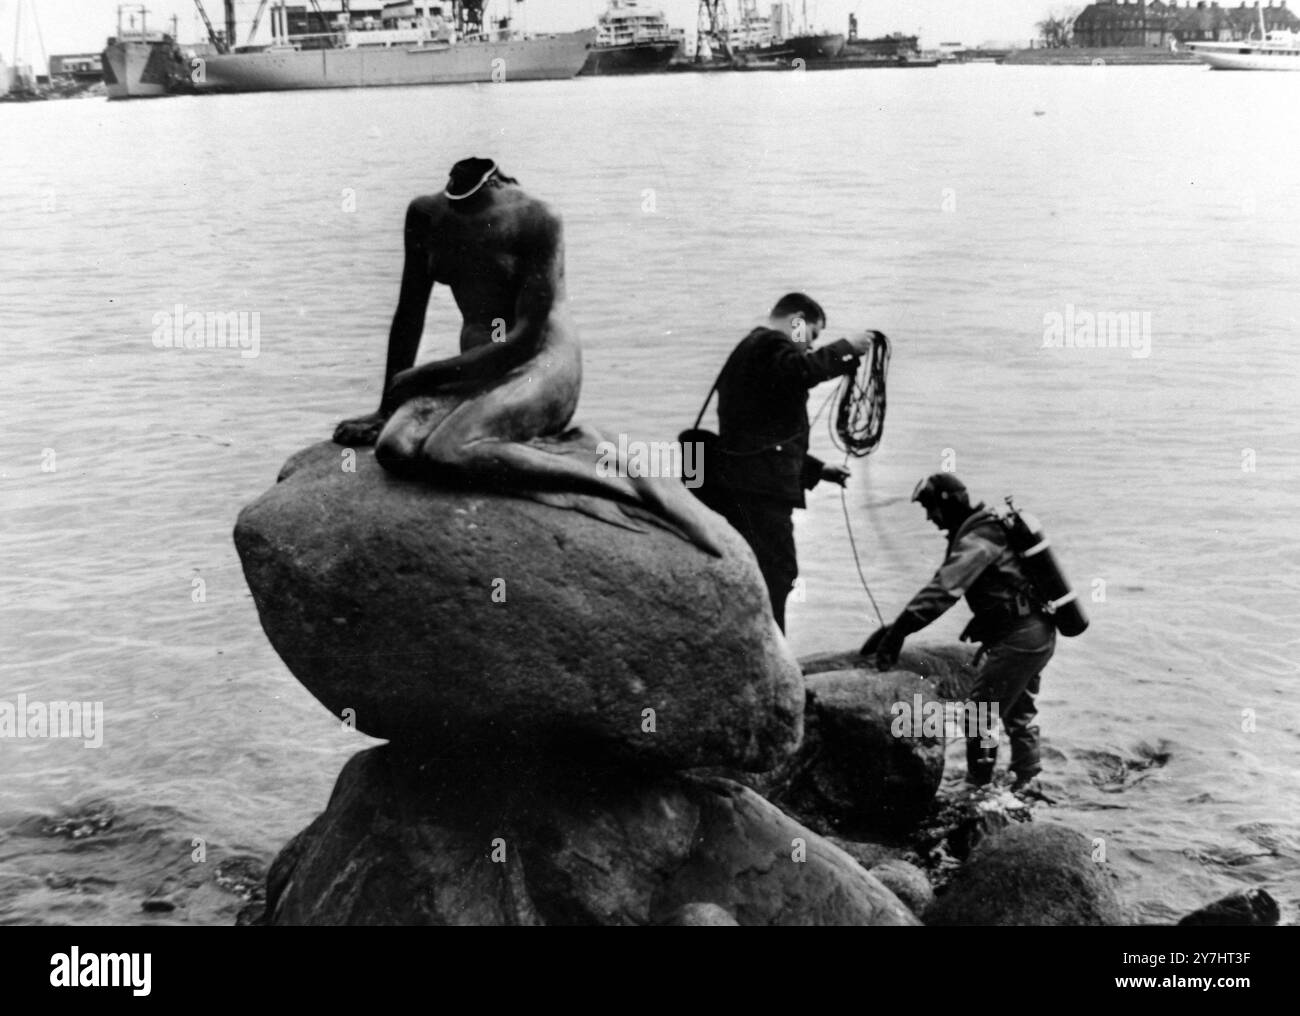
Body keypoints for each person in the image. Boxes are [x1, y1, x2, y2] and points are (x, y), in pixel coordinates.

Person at [333, 156, 725, 555]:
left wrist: (426, 375)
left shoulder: (537, 218)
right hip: (480, 367)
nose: (460, 208)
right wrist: (386, 407)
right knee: (394, 448)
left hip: (542, 363)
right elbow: (409, 311)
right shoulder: (426, 214)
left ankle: (626, 487)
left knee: (448, 451)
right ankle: (548, 446)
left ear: (495, 187)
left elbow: (524, 339)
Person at [861, 473, 1055, 795]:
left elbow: (943, 590)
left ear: (948, 504)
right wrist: (897, 626)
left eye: (931, 508)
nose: (930, 518)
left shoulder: (978, 537)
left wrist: (899, 632)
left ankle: (977, 787)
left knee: (978, 713)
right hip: (1034, 631)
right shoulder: (983, 530)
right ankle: (1026, 783)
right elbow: (977, 585)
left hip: (1021, 636)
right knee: (1017, 714)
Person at [696, 294, 878, 631]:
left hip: (743, 485)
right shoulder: (768, 345)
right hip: (760, 492)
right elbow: (799, 371)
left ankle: (761, 654)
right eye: (812, 334)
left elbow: (760, 433)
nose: (810, 346)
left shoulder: (755, 352)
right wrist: (844, 348)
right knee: (776, 574)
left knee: (764, 573)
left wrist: (817, 470)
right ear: (796, 320)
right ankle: (772, 663)